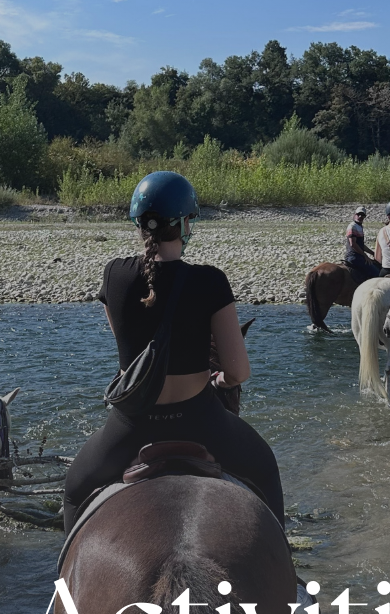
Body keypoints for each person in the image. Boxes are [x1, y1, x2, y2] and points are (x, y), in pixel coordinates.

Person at [62, 171, 285, 532]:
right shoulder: (210, 281)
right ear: (184, 224)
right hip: (201, 419)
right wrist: (220, 378)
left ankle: (62, 588)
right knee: (265, 468)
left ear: (138, 223)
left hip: (131, 425)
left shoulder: (114, 275)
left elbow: (123, 340)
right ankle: (287, 572)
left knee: (74, 489)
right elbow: (238, 372)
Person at [343, 206, 381, 281]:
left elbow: (361, 245)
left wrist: (372, 253)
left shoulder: (359, 227)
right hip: (354, 257)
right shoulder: (352, 226)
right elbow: (353, 244)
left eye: (362, 215)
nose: (360, 216)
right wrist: (365, 256)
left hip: (358, 256)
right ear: (355, 215)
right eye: (358, 214)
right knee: (377, 273)